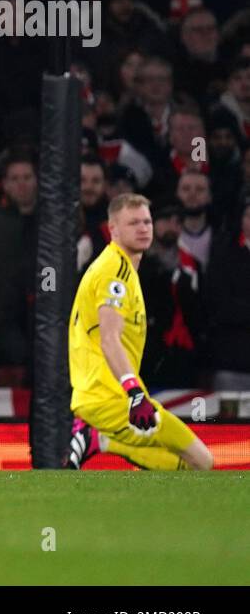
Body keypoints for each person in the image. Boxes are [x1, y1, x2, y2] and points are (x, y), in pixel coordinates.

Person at [65, 194, 214, 471]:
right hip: (111, 400)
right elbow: (110, 339)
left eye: (147, 221)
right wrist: (134, 393)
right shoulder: (115, 272)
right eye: (133, 222)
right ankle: (97, 438)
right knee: (202, 463)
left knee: (185, 468)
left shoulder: (121, 269)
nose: (144, 228)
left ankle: (100, 441)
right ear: (114, 229)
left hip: (107, 397)